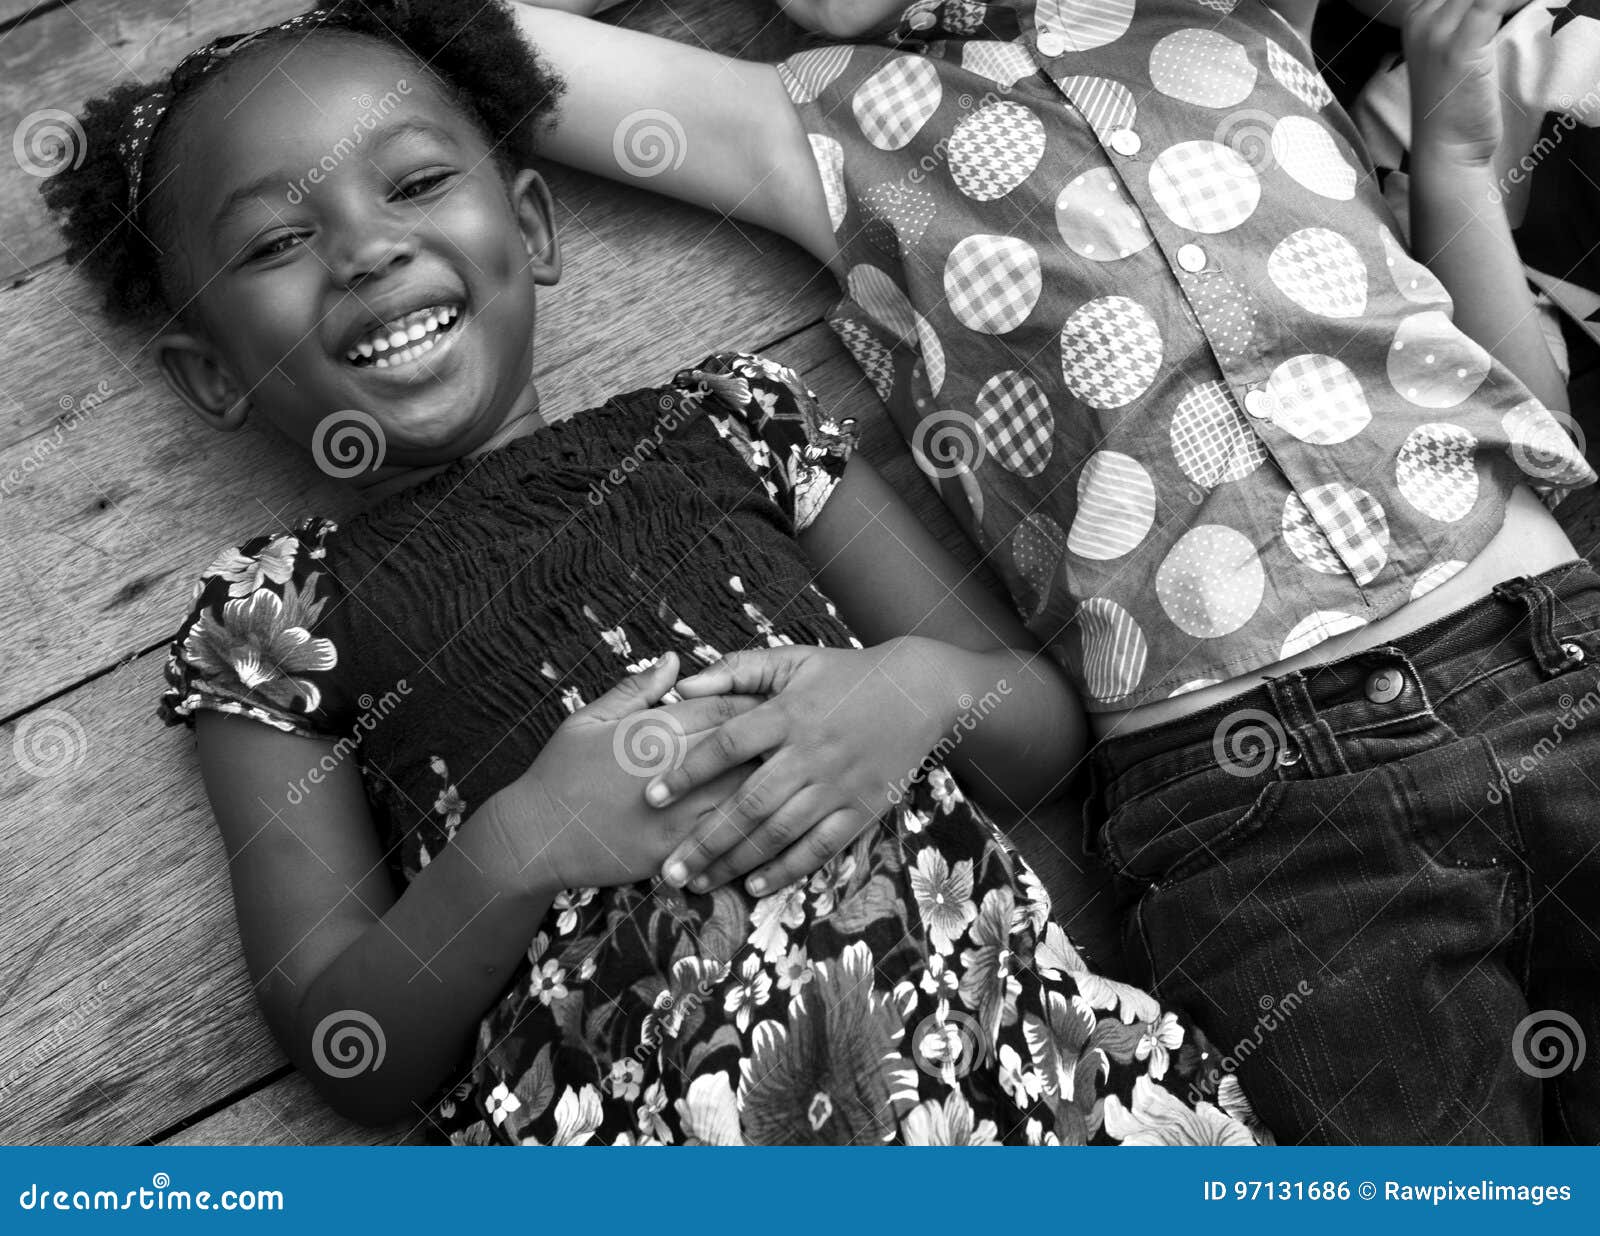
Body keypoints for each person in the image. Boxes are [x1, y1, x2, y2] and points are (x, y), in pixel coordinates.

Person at [39, 0, 1263, 1146]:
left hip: (1029, 1098)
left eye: (415, 183)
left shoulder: (733, 424)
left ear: (526, 227)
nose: (365, 249)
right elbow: (348, 1047)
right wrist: (524, 842)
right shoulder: (276, 619)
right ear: (211, 375)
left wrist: (916, 695)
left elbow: (1044, 735)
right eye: (278, 241)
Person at [505, 0, 1600, 1142]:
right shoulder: (805, 122)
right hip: (1269, 817)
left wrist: (1458, 146)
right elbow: (486, 45)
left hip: (1552, 659)